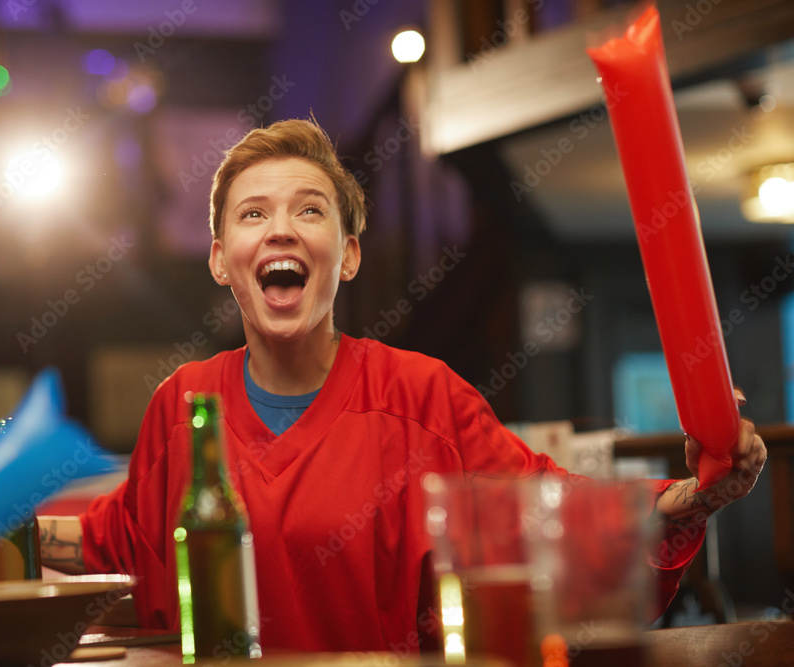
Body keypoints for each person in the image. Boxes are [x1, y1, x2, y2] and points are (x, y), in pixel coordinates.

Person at [39, 119, 767, 652]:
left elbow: (547, 515)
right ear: (222, 260)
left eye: (310, 209)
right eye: (253, 214)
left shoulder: (425, 395)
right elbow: (124, 538)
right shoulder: (183, 403)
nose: (281, 230)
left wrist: (689, 496)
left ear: (348, 256)